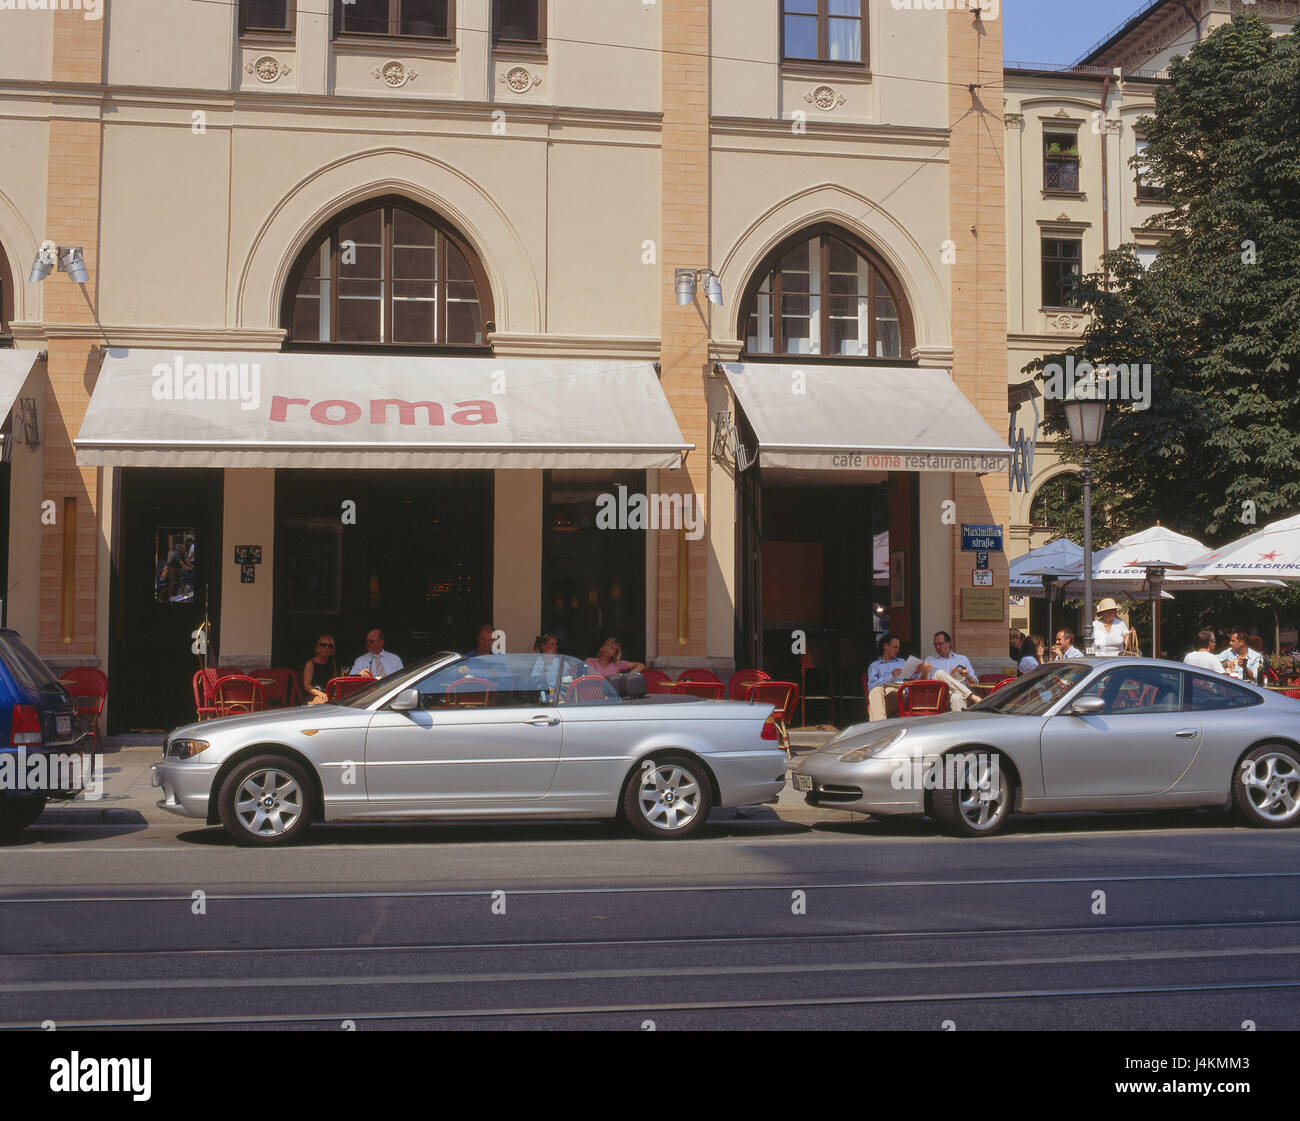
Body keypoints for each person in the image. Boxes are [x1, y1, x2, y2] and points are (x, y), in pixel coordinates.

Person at [918, 631, 977, 712]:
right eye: (935, 645)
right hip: (940, 695)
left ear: (949, 644)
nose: (937, 647)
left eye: (940, 644)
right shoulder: (929, 660)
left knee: (957, 697)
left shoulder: (963, 659)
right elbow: (921, 685)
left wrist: (967, 676)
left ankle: (960, 724)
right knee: (939, 673)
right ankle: (972, 696)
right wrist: (925, 673)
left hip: (959, 694)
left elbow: (975, 683)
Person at [866, 633, 916, 721]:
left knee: (876, 698)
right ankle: (880, 724)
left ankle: (878, 727)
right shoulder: (875, 666)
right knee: (876, 691)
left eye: (898, 648)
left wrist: (917, 671)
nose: (898, 651)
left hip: (900, 694)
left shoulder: (901, 662)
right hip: (882, 694)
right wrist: (891, 675)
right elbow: (871, 687)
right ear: (886, 646)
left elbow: (913, 679)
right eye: (895, 647)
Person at [302, 635, 341, 704]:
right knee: (322, 703)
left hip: (328, 694)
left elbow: (334, 681)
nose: (327, 648)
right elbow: (307, 686)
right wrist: (321, 694)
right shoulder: (310, 664)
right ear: (318, 647)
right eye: (324, 645)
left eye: (330, 646)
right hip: (314, 695)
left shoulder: (332, 663)